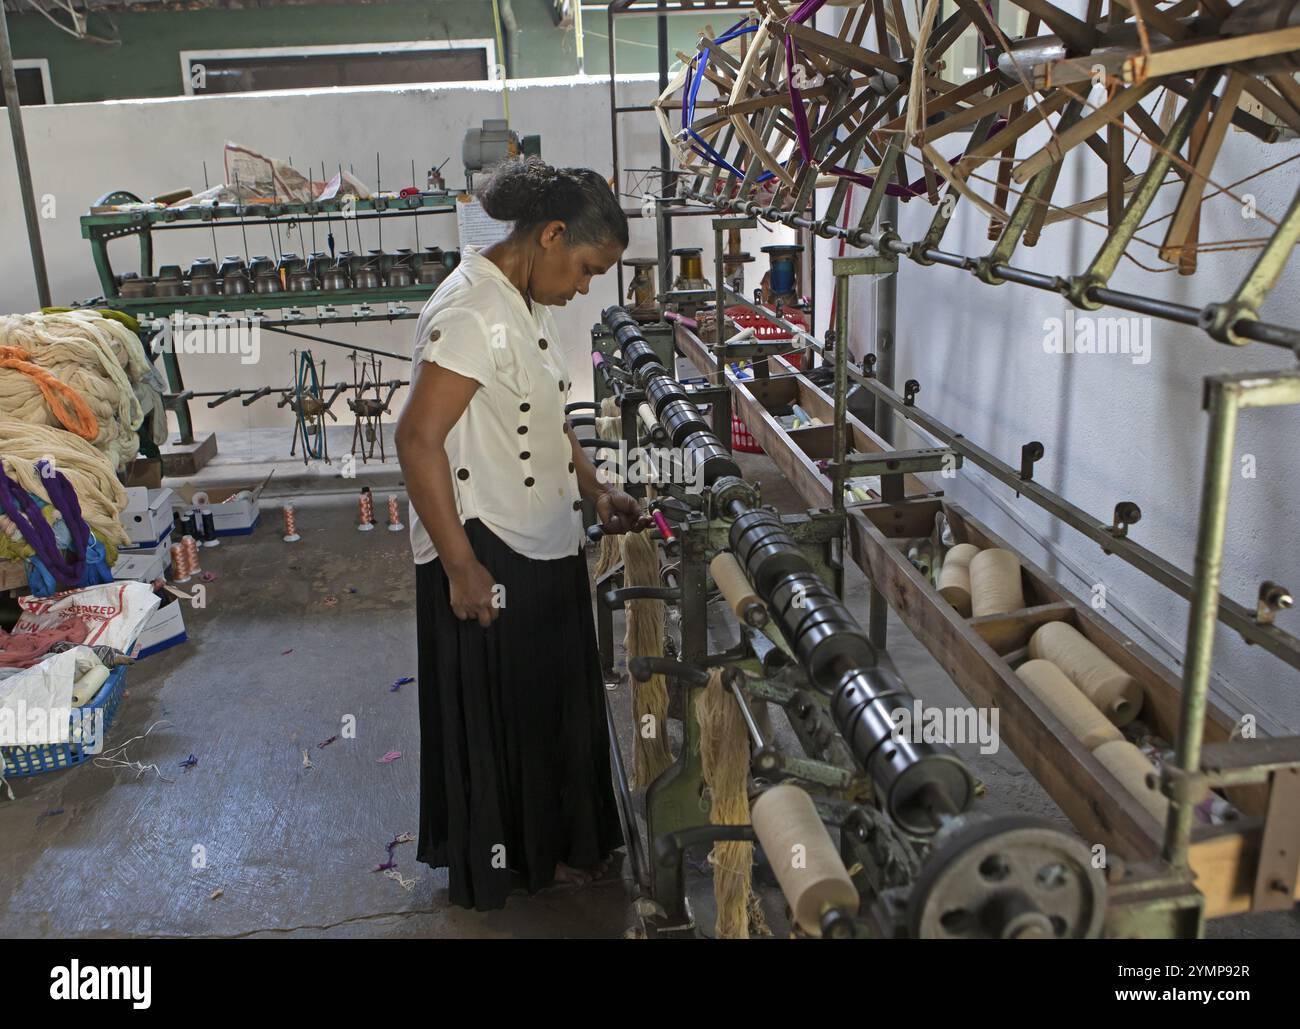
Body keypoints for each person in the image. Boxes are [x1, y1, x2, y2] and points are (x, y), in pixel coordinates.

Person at [395, 156, 648, 911]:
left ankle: (556, 851)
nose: (583, 287)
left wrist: (595, 487)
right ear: (549, 235)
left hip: (539, 536)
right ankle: (520, 862)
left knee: (550, 706)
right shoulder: (473, 312)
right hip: (489, 543)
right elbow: (417, 440)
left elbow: (543, 414)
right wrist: (462, 565)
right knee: (514, 712)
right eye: (585, 268)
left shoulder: (521, 301)